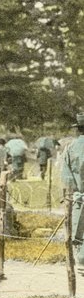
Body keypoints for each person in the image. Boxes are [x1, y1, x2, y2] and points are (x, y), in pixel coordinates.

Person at [59, 114, 84, 270]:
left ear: (78, 130)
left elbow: (66, 177)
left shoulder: (70, 148)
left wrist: (69, 196)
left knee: (79, 229)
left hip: (78, 197)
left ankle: (81, 260)